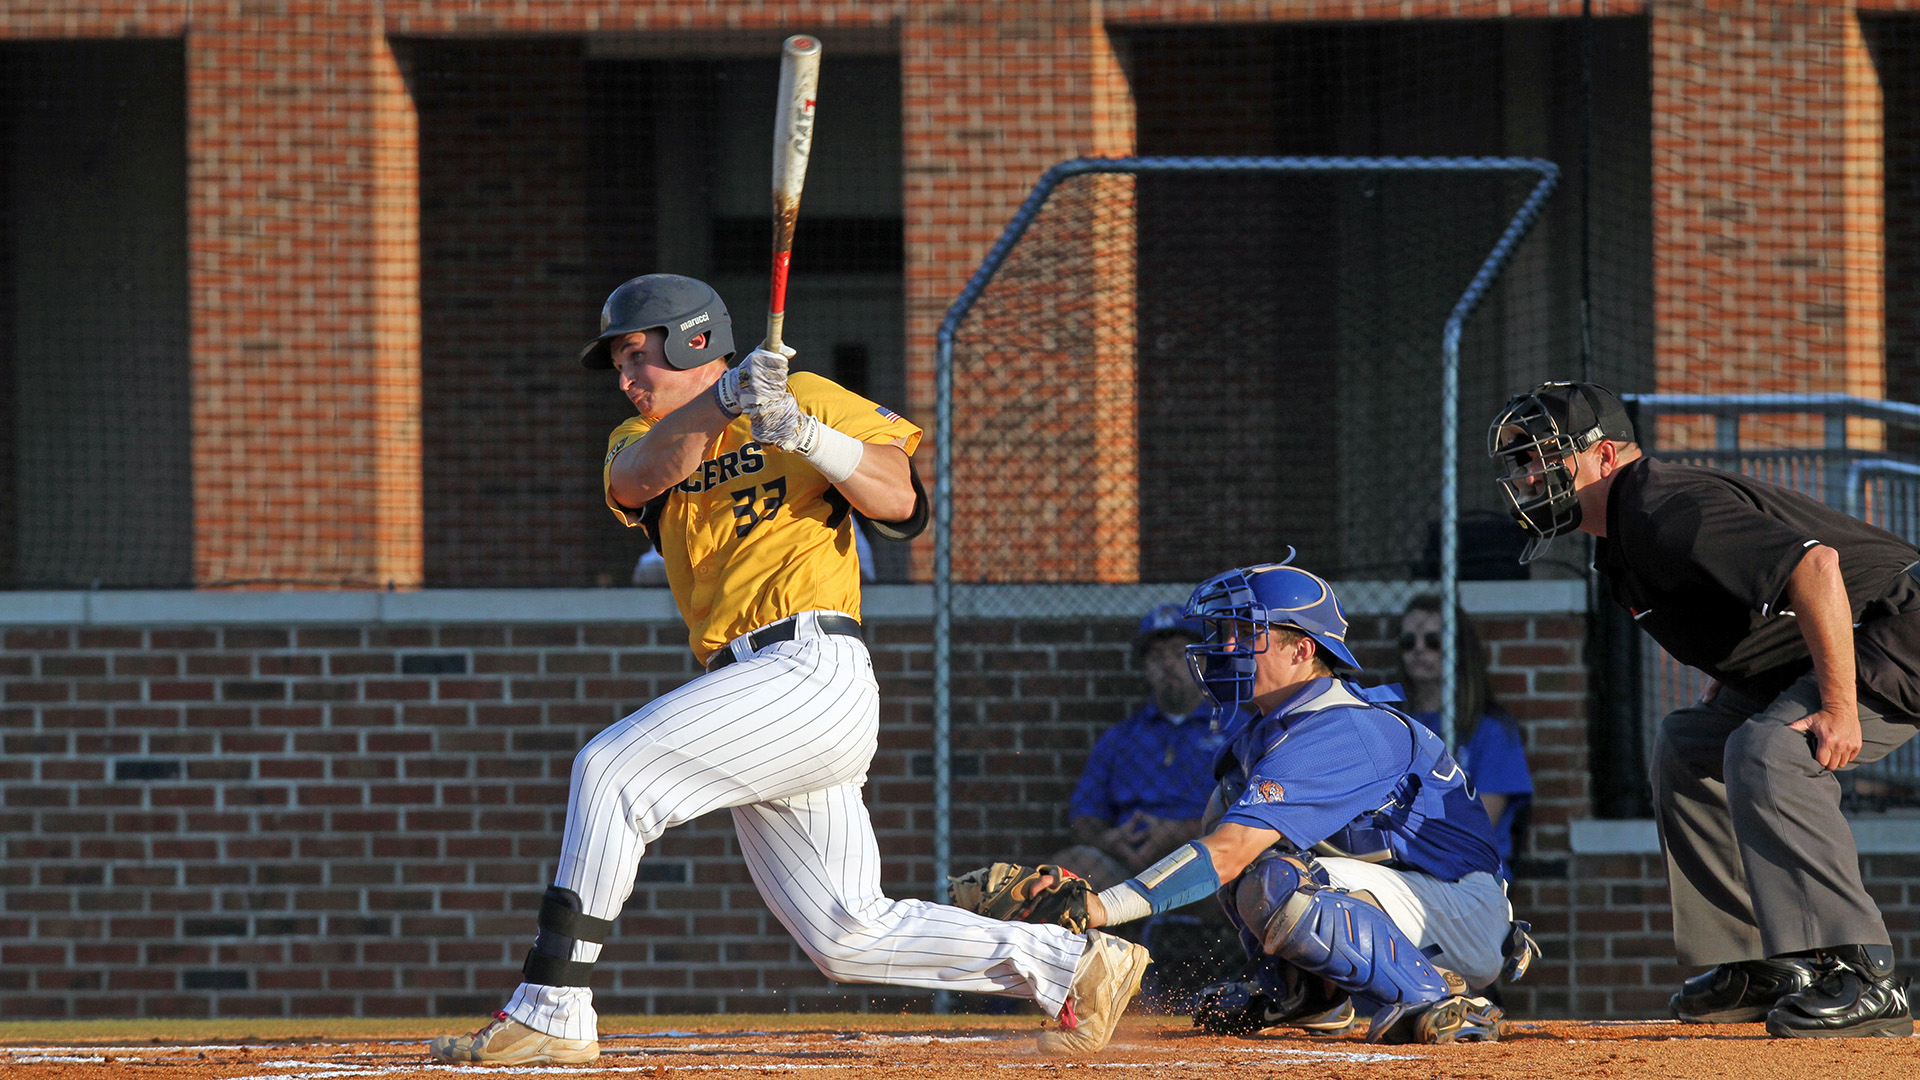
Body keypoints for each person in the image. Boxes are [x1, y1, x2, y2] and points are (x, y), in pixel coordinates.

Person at [429, 274, 1150, 1063]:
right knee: (848, 934)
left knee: (612, 770)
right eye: (619, 364)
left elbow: (903, 502)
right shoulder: (636, 440)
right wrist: (728, 400)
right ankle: (1070, 967)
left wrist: (807, 433)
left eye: (639, 357)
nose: (628, 379)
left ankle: (553, 1006)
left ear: (691, 340)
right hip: (746, 689)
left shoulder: (803, 391)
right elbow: (640, 478)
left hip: (810, 667)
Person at [1489, 380, 1918, 1038]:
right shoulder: (1626, 537)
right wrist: (1738, 675)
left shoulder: (1661, 506)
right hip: (1848, 636)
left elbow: (1817, 569)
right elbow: (1744, 607)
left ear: (1605, 458)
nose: (1527, 475)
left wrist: (1839, 706)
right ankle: (1757, 965)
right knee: (1688, 744)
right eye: (1521, 462)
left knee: (1770, 753)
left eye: (1544, 456)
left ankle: (1862, 972)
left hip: (1897, 631)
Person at [1017, 558, 1537, 1044]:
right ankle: (1305, 991)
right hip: (1404, 893)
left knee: (1270, 877)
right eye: (1227, 633)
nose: (1226, 648)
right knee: (1235, 825)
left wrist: (1103, 905)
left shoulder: (1345, 727)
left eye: (1247, 633)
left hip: (1460, 910)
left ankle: (1433, 999)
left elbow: (1227, 854)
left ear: (1302, 650)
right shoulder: (1263, 734)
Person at [1052, 603, 1226, 890]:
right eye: (1156, 656)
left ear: (1203, 662)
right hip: (1129, 864)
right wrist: (1110, 840)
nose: (1167, 664)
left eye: (1178, 653)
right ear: (1145, 668)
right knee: (1068, 870)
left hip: (1207, 860)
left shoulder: (1235, 729)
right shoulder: (1119, 738)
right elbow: (1085, 816)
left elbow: (1252, 815)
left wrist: (1178, 833)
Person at [1396, 595, 1533, 878]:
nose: (1419, 650)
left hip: (1470, 879)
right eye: (1409, 641)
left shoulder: (1492, 732)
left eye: (1433, 641)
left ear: (1457, 648)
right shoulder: (1393, 723)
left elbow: (1478, 827)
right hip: (1403, 872)